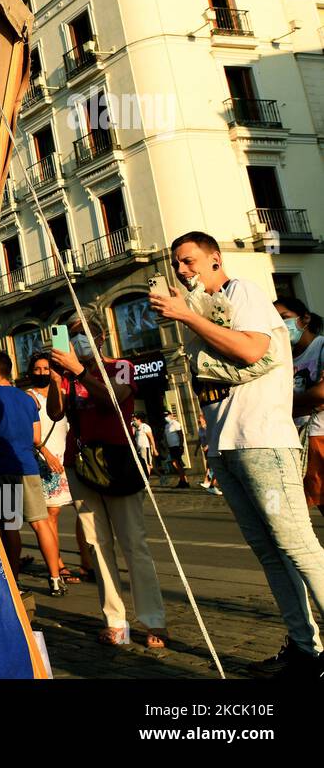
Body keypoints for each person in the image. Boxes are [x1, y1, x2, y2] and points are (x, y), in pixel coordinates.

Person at [154, 232, 324, 677]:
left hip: (263, 441)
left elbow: (252, 348)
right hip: (227, 447)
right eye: (177, 264)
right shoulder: (203, 308)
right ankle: (305, 648)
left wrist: (187, 318)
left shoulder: (241, 291)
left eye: (189, 261)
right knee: (270, 552)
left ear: (214, 259)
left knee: (299, 548)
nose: (183, 270)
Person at [49, 314, 168, 648]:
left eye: (83, 332)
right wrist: (58, 377)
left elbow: (113, 401)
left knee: (134, 543)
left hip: (117, 462)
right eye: (71, 334)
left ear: (100, 335)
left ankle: (153, 619)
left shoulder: (120, 365)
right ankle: (115, 618)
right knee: (98, 545)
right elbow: (56, 413)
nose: (78, 339)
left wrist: (80, 371)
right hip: (80, 464)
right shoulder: (67, 377)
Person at [0, 352, 65, 596]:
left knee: (10, 526)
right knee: (40, 523)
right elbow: (36, 438)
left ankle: (13, 580)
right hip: (28, 466)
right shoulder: (28, 400)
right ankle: (56, 578)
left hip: (2, 467)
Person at [25, 354, 87, 586]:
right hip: (45, 460)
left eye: (46, 368)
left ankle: (87, 560)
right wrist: (47, 455)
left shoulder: (62, 393)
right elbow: (30, 434)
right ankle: (58, 563)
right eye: (38, 368)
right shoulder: (28, 397)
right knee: (52, 514)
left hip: (68, 458)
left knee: (84, 510)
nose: (42, 372)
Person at [275, 297, 324, 519]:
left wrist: (289, 404)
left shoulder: (321, 346)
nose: (281, 326)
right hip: (300, 442)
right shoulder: (283, 359)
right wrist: (309, 398)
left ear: (304, 318)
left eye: (284, 318)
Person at [162, 410, 190, 489]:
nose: (166, 417)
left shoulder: (175, 423)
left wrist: (181, 445)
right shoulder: (167, 425)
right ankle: (183, 481)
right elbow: (166, 437)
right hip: (171, 447)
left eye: (167, 415)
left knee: (177, 463)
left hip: (177, 446)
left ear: (171, 415)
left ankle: (183, 481)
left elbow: (181, 434)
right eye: (164, 416)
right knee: (176, 463)